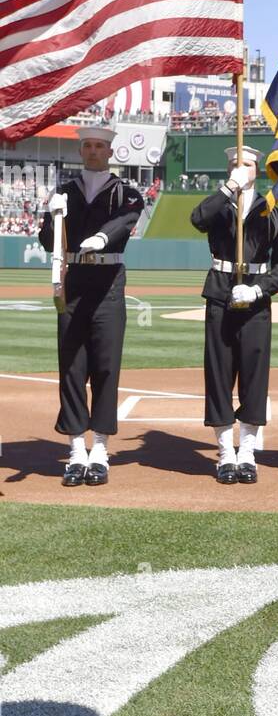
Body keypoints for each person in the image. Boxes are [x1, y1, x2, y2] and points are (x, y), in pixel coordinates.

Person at [37, 126, 144, 486]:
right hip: (74, 282)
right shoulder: (64, 192)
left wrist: (101, 237)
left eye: (100, 146)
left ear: (110, 151)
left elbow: (125, 222)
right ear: (81, 150)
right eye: (88, 146)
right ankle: (75, 450)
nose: (94, 151)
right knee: (71, 367)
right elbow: (47, 241)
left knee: (105, 366)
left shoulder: (125, 192)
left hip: (108, 282)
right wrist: (52, 217)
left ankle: (99, 449)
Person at [191, 145, 278, 483]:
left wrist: (259, 288)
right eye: (236, 163)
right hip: (220, 293)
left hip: (254, 299)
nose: (242, 168)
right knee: (219, 374)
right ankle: (225, 453)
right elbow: (198, 219)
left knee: (254, 376)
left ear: (258, 170)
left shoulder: (271, 211)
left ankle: (247, 451)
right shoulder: (219, 205)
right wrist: (227, 190)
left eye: (248, 164)